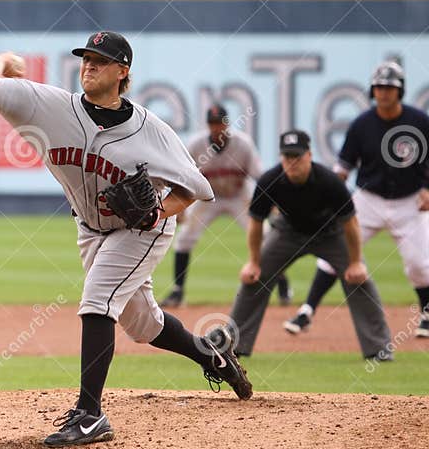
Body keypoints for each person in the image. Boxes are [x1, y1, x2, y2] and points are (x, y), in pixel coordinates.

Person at [0, 31, 252, 448]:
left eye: (100, 60)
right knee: (142, 324)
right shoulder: (50, 107)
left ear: (123, 72)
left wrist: (158, 211)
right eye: (86, 58)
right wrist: (4, 59)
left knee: (97, 298)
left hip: (144, 230)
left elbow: (196, 189)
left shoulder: (152, 131)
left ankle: (90, 415)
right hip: (90, 229)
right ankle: (211, 355)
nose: (89, 65)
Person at [283, 60, 429, 338]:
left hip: (409, 201)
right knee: (334, 253)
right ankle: (307, 311)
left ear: (400, 91)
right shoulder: (362, 124)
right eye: (379, 87)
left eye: (390, 87)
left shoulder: (419, 121)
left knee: (420, 264)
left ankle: (426, 313)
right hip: (368, 200)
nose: (384, 92)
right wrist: (325, 196)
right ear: (372, 91)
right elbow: (343, 169)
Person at [227, 129, 393, 360]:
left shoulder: (330, 181)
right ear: (281, 158)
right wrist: (253, 262)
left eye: (297, 156)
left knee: (359, 279)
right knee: (254, 278)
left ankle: (379, 350)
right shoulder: (269, 180)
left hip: (330, 233)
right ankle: (234, 347)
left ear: (309, 155)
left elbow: (351, 223)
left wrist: (355, 262)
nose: (292, 162)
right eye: (287, 157)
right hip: (288, 232)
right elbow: (256, 223)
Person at [161, 104, 292, 308]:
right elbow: (183, 177)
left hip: (239, 196)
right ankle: (178, 292)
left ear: (227, 123)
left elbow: (260, 176)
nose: (216, 128)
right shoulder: (196, 145)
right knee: (185, 238)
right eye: (212, 124)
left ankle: (283, 285)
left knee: (265, 238)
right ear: (207, 125)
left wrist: (272, 203)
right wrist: (180, 208)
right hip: (208, 198)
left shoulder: (243, 144)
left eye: (220, 123)